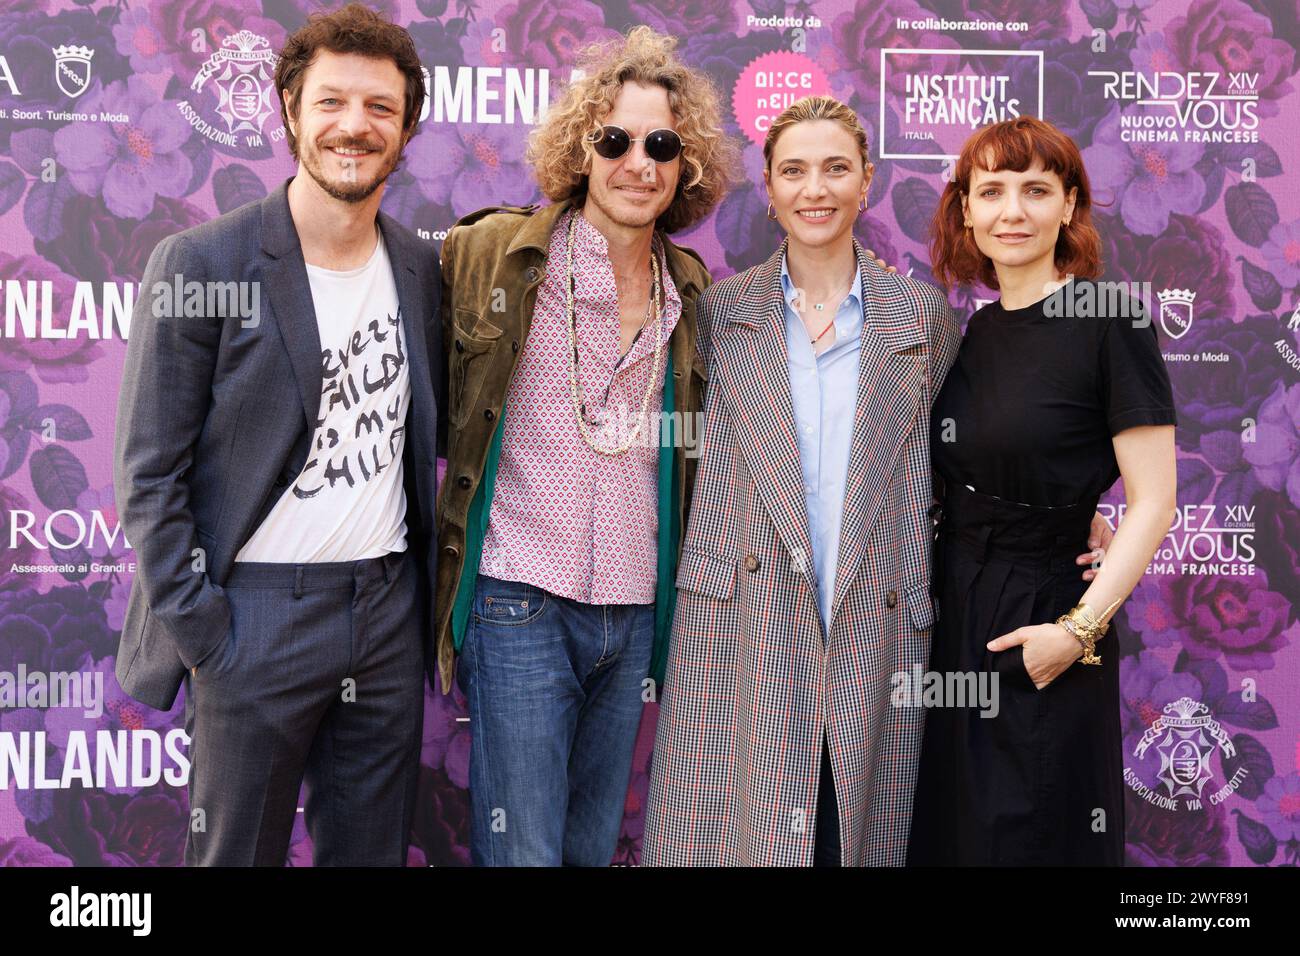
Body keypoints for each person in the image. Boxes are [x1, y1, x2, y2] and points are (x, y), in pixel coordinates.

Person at [113, 4, 443, 866]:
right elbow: (150, 474)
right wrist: (208, 634)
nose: (354, 126)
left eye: (379, 107)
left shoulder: (419, 266)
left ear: (407, 128)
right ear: (290, 108)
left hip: (384, 614)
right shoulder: (204, 264)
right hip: (252, 615)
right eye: (331, 101)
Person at [434, 27, 737, 866]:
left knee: (589, 846)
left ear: (688, 165)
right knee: (524, 852)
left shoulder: (694, 294)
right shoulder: (491, 255)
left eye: (663, 144)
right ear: (581, 149)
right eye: (616, 140)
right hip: (519, 597)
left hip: (634, 613)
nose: (639, 162)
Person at [643, 95, 962, 866]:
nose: (814, 189)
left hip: (876, 618)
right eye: (794, 171)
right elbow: (663, 455)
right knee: (734, 838)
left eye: (834, 169)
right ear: (769, 187)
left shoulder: (923, 319)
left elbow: (965, 459)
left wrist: (1066, 515)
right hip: (741, 617)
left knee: (853, 838)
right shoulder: (718, 314)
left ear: (865, 182)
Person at [908, 116, 1178, 866]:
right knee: (958, 838)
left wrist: (1077, 632)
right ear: (966, 209)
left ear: (1069, 205)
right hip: (955, 619)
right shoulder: (974, 333)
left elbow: (1155, 501)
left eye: (1035, 190)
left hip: (1045, 623)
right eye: (991, 191)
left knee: (1036, 835)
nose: (1012, 211)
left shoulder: (1109, 320)